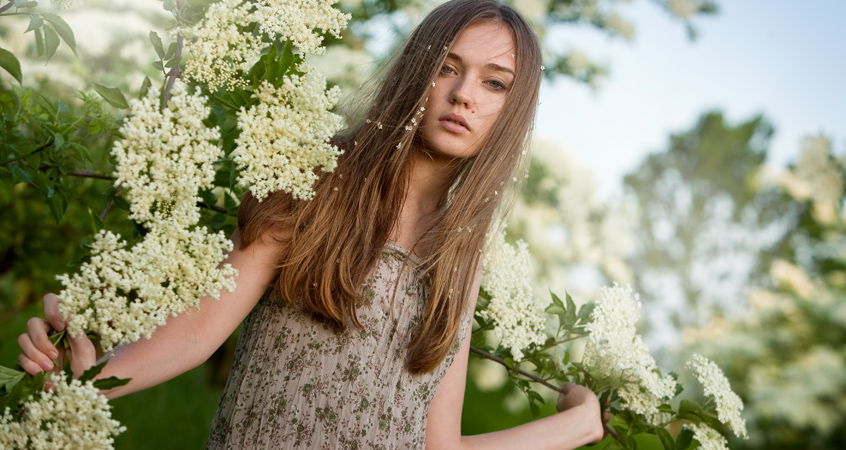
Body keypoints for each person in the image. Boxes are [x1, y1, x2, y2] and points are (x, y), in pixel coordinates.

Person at [18, 0, 609, 447]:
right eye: (446, 68)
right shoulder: (315, 179)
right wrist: (92, 378)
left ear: (513, 109)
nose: (462, 95)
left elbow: (438, 443)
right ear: (415, 75)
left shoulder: (461, 253)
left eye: (494, 82)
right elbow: (198, 331)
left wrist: (579, 426)